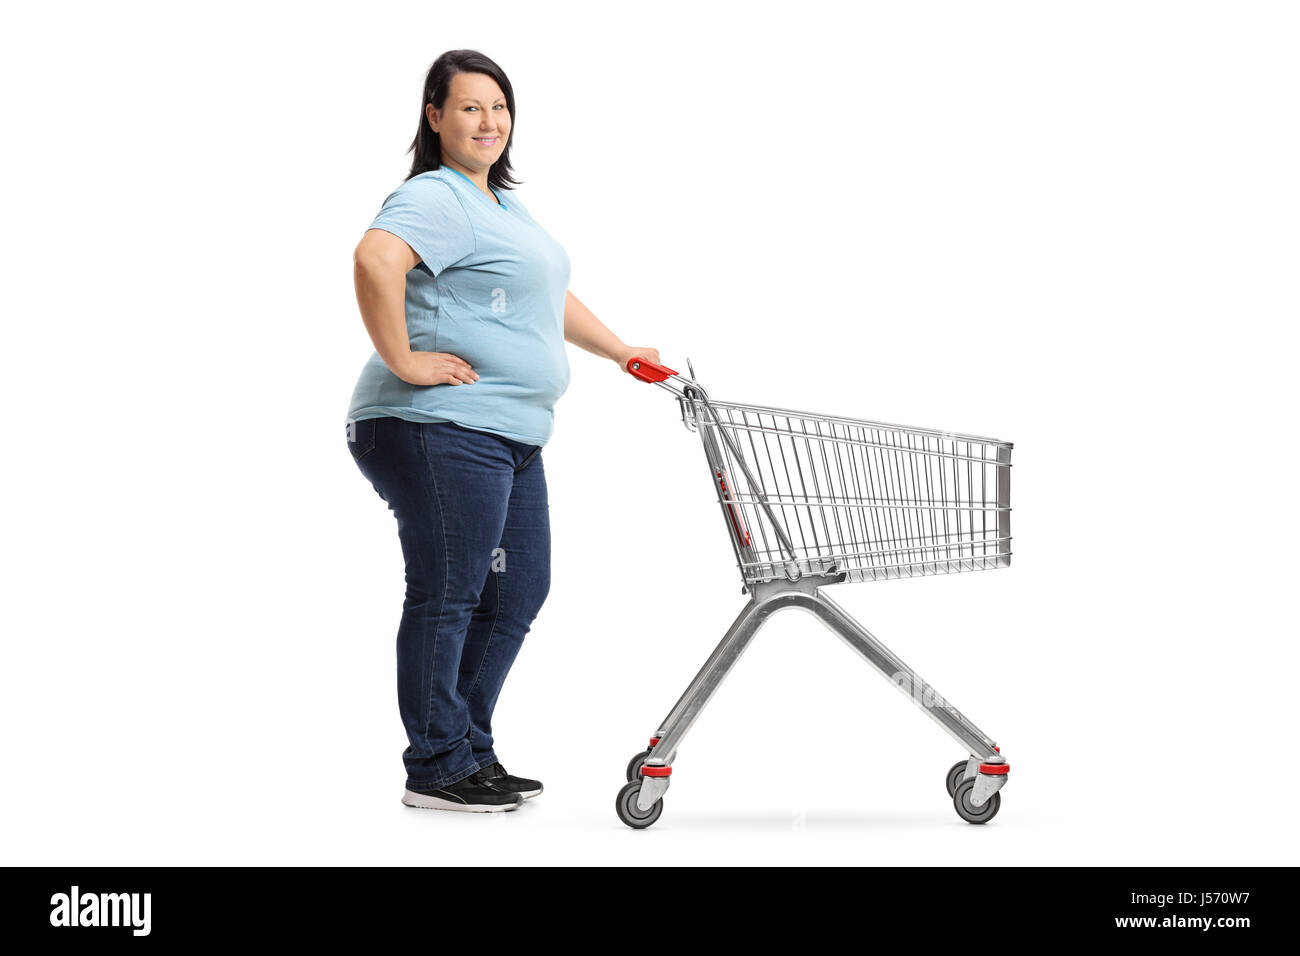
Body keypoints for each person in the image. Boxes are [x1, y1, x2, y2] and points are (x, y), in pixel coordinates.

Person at [345, 49, 661, 812]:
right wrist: (406, 360)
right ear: (434, 117)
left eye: (499, 106)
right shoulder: (436, 196)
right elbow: (375, 259)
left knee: (516, 590)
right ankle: (436, 767)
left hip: (508, 436)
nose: (489, 122)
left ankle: (467, 751)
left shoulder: (501, 208)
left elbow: (544, 297)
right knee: (451, 591)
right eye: (469, 107)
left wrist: (620, 350)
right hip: (436, 427)